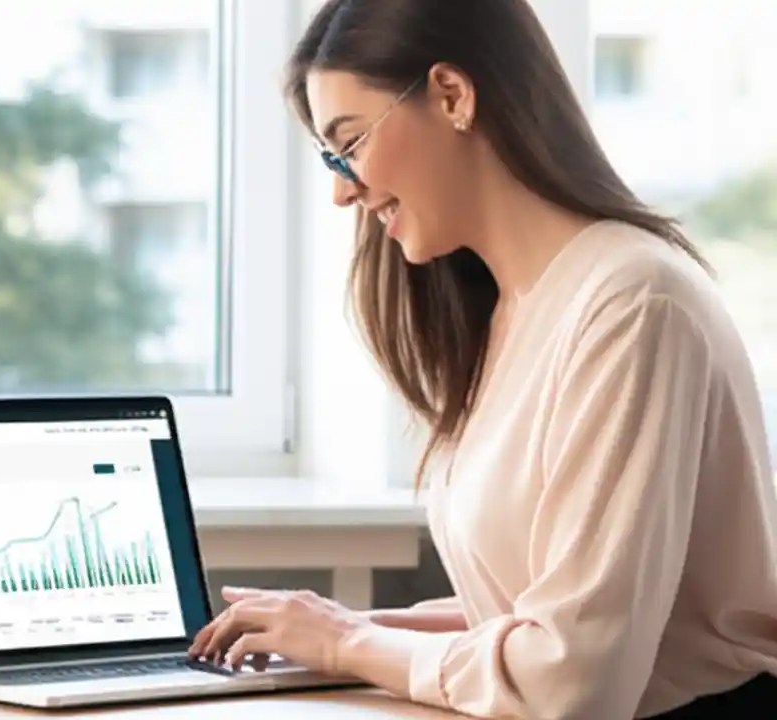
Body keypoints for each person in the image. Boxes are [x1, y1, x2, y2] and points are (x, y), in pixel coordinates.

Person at [187, 0, 777, 717]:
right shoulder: (510, 311)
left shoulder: (634, 302)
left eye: (350, 143)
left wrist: (347, 642)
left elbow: (573, 681)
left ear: (452, 95)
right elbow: (535, 618)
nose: (344, 190)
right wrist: (342, 630)